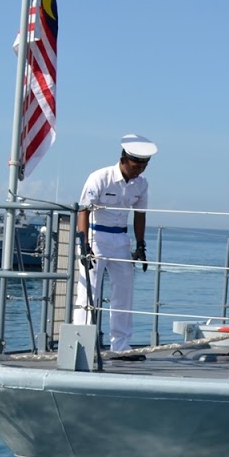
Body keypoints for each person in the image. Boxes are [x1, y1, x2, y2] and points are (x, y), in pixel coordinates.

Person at [73, 134, 156, 354]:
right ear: (123, 159)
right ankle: (82, 345)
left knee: (124, 293)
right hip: (95, 236)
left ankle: (120, 346)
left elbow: (140, 214)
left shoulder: (141, 184)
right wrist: (84, 245)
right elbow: (83, 209)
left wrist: (140, 246)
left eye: (144, 165)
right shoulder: (100, 177)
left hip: (120, 239)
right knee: (89, 291)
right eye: (136, 164)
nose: (139, 169)